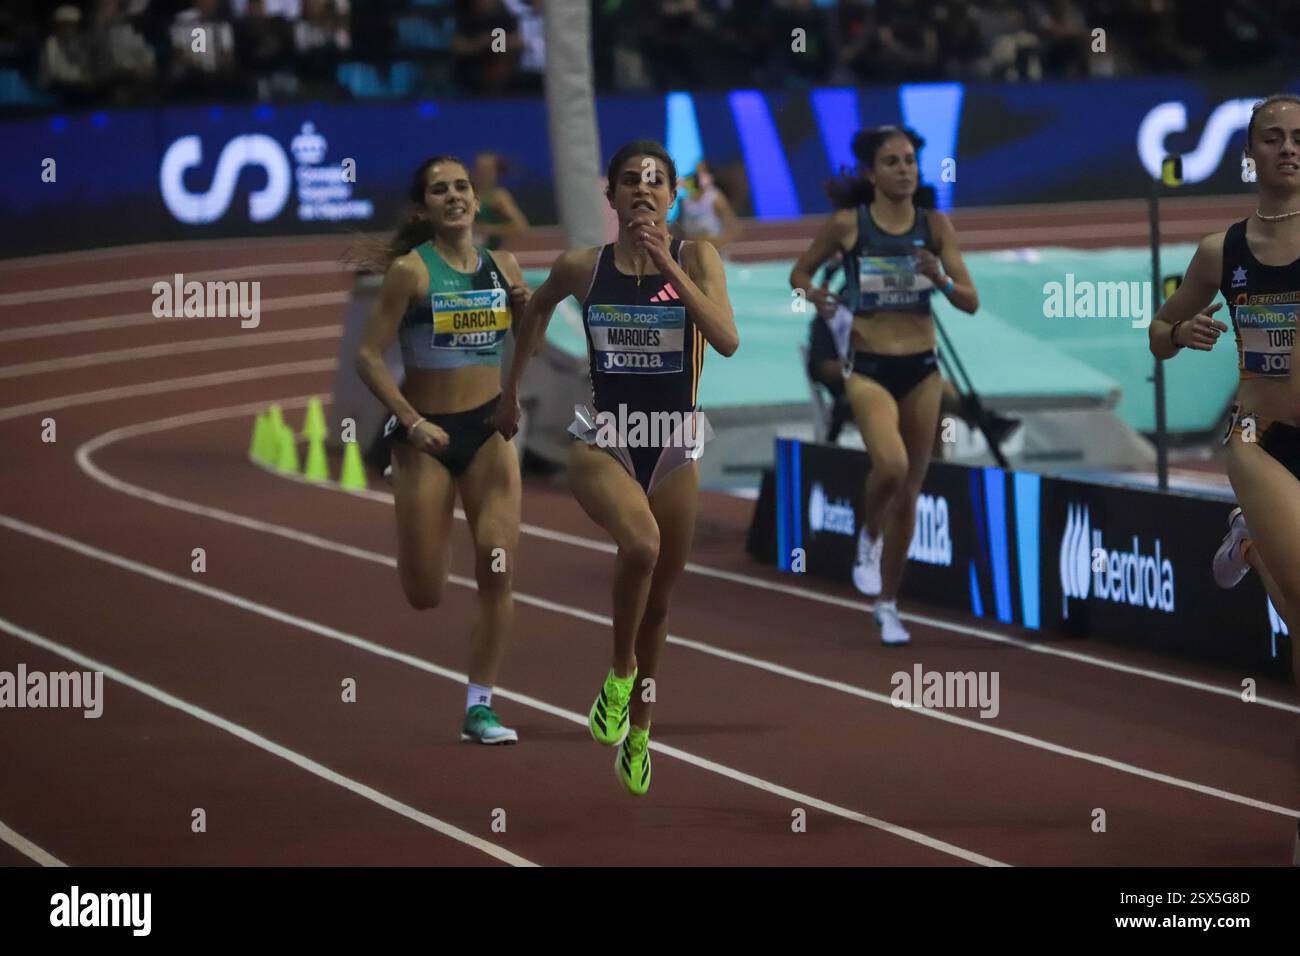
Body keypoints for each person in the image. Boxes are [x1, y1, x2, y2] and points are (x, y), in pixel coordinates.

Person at [495, 139, 738, 795]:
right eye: (630, 179)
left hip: (675, 440)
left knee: (659, 601)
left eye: (656, 180)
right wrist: (511, 390)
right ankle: (620, 671)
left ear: (672, 195)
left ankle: (638, 732)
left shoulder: (696, 256)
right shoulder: (583, 267)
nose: (643, 189)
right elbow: (538, 307)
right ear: (612, 195)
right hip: (606, 437)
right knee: (642, 544)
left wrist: (669, 267)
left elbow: (726, 339)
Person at [1147, 93, 1300, 865]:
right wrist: (1183, 329)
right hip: (1259, 437)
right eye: (1272, 138)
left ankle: (1255, 540)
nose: (1289, 149)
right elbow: (1159, 334)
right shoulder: (1222, 251)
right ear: (1251, 155)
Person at [353, 155, 531, 745]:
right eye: (439, 189)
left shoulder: (505, 266)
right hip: (425, 436)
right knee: (425, 592)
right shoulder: (411, 272)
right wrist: (410, 420)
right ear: (424, 208)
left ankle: (480, 707)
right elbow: (368, 356)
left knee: (498, 565)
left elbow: (526, 339)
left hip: (487, 433)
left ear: (478, 202)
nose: (453, 195)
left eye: (461, 187)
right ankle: (423, 517)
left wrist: (513, 394)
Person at [790, 125, 978, 645]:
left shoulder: (934, 224)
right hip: (868, 367)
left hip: (922, 369)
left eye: (911, 161)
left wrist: (938, 276)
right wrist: (820, 298)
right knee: (891, 467)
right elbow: (799, 273)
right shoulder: (849, 225)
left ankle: (889, 604)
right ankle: (868, 536)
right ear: (872, 173)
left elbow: (970, 299)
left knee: (912, 490)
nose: (905, 169)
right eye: (892, 162)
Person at [671, 160, 742, 253]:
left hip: (714, 247)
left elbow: (733, 226)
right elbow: (677, 229)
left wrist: (720, 243)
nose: (698, 175)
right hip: (692, 248)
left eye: (703, 172)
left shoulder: (715, 197)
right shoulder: (684, 201)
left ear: (710, 176)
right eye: (696, 172)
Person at [471, 152, 530, 251]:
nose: (480, 174)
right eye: (478, 168)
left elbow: (521, 227)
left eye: (486, 170)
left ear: (495, 173)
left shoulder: (498, 197)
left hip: (488, 254)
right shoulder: (466, 194)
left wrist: (486, 230)